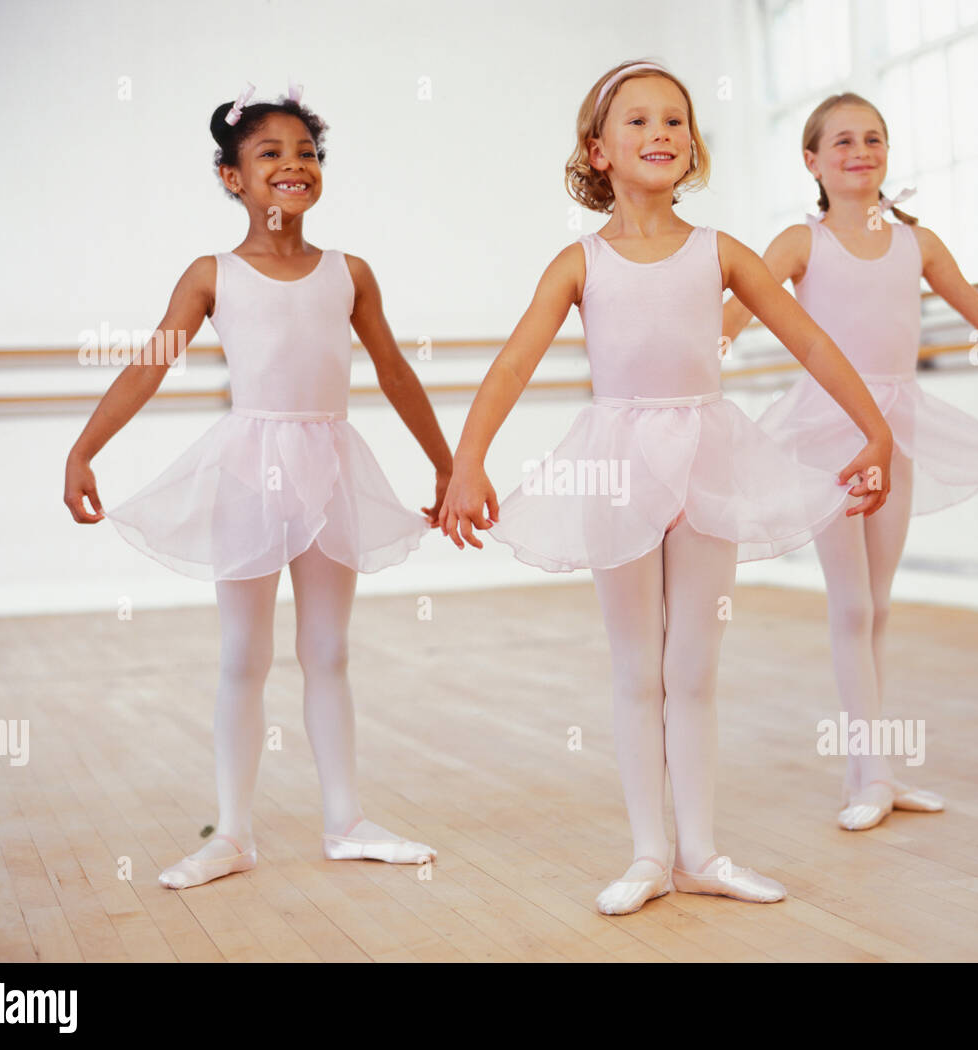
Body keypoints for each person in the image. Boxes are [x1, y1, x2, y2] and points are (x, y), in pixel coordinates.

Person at [440, 62, 895, 914]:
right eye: (640, 120)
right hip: (617, 461)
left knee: (693, 664)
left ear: (691, 146)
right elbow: (513, 361)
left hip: (707, 455)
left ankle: (701, 851)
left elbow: (812, 342)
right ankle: (649, 851)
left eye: (676, 121)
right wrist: (469, 460)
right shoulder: (578, 262)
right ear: (597, 149)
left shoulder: (721, 252)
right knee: (634, 666)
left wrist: (875, 428)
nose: (661, 133)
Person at [64, 82, 450, 887]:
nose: (293, 165)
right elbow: (150, 364)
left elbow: (394, 371)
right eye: (269, 153)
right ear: (230, 177)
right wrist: (83, 449)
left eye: (306, 153)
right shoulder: (212, 274)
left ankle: (344, 820)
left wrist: (449, 465)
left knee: (328, 649)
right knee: (245, 652)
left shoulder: (350, 273)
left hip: (331, 466)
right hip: (248, 468)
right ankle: (231, 832)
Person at [722, 92, 978, 831]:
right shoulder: (798, 242)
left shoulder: (921, 245)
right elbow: (730, 317)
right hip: (824, 429)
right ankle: (871, 773)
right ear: (812, 161)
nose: (860, 150)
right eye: (841, 141)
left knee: (877, 604)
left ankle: (871, 768)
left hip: (898, 427)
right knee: (850, 603)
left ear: (888, 153)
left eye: (873, 138)